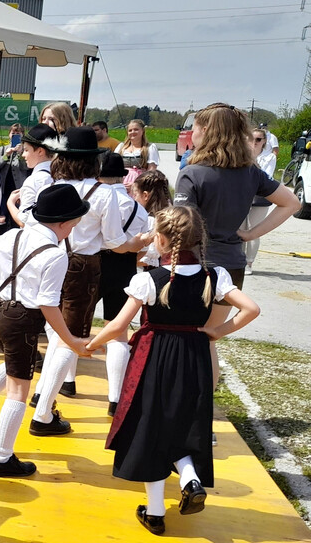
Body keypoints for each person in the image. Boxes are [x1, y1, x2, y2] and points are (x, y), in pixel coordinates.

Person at [86, 205, 259, 535]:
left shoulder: (147, 280)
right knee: (181, 423)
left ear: (161, 240)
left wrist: (90, 345)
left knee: (150, 428)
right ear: (198, 240)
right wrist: (217, 332)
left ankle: (154, 511)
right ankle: (190, 479)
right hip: (194, 356)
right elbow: (252, 308)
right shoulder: (215, 276)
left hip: (154, 359)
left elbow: (119, 325)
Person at [0, 184, 91, 477]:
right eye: (74, 224)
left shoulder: (13, 235)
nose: (73, 230)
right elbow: (48, 304)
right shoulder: (56, 255)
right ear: (62, 223)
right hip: (22, 319)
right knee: (19, 389)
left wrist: (10, 273)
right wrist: (70, 340)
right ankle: (1, 458)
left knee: (12, 366)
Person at [174, 103, 299, 387]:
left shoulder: (192, 173)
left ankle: (182, 412)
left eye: (194, 128)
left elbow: (181, 225)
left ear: (205, 131)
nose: (191, 133)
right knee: (208, 341)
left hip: (194, 265)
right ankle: (205, 417)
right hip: (232, 264)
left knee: (184, 339)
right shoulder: (250, 172)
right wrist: (251, 233)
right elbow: (292, 202)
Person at [28, 126, 136, 434]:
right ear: (94, 161)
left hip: (51, 257)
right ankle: (43, 413)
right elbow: (115, 241)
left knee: (55, 331)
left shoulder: (53, 187)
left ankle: (42, 397)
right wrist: (137, 242)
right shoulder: (105, 194)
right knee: (70, 338)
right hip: (84, 265)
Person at [95, 151, 150, 416]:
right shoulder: (137, 208)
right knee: (117, 331)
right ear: (124, 176)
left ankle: (67, 384)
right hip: (125, 265)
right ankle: (115, 398)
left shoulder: (94, 197)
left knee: (76, 325)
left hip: (94, 263)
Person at [6, 124, 58, 228]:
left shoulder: (34, 181)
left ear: (40, 151)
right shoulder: (58, 175)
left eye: (26, 150)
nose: (23, 155)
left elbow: (24, 221)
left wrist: (10, 202)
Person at [244, 128, 277, 275]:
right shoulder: (242, 154)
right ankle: (239, 259)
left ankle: (249, 262)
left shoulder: (269, 157)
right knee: (239, 228)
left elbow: (266, 176)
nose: (255, 142)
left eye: (258, 139)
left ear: (264, 141)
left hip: (260, 198)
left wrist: (254, 163)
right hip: (243, 196)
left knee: (253, 229)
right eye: (252, 139)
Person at [114, 119, 159, 186]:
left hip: (141, 184)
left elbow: (151, 170)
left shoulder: (149, 147)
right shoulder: (121, 147)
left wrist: (136, 184)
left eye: (136, 129)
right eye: (130, 130)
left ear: (142, 131)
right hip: (121, 183)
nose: (132, 132)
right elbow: (114, 166)